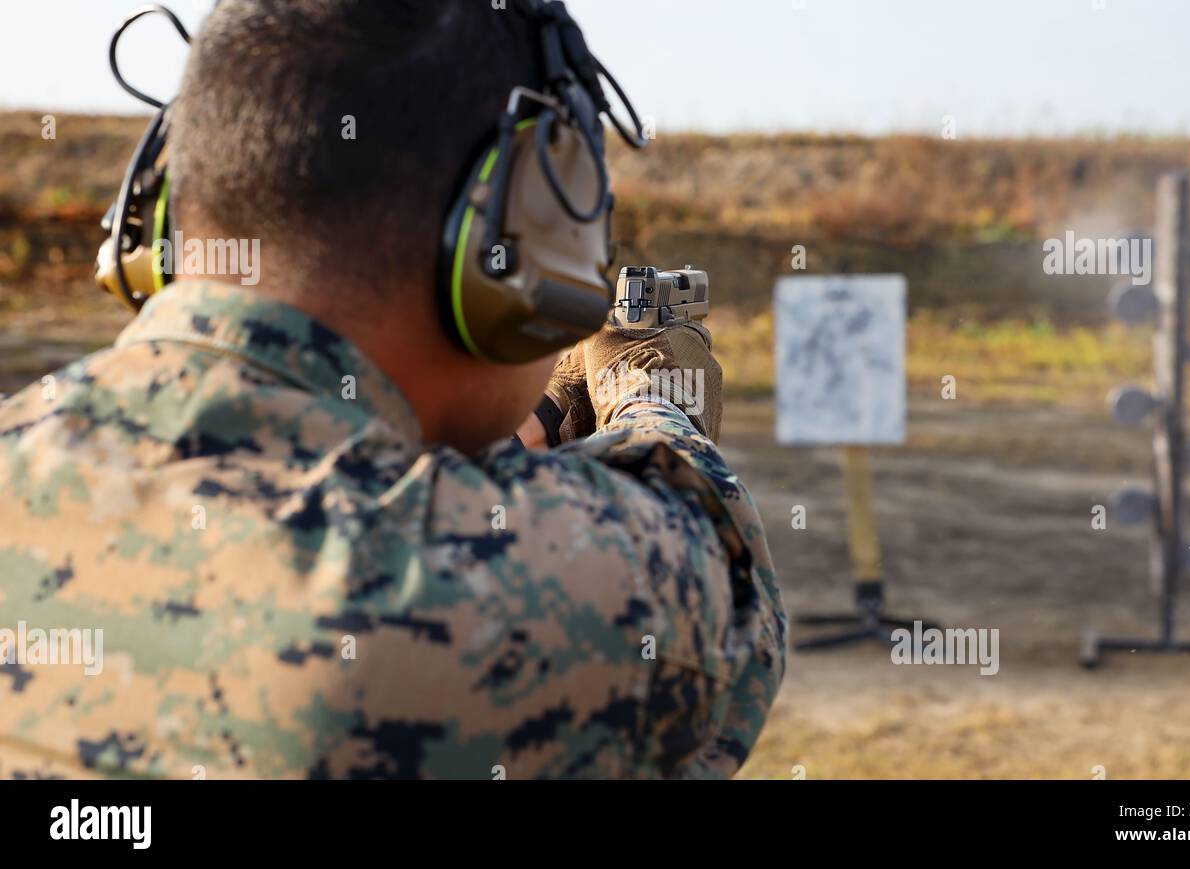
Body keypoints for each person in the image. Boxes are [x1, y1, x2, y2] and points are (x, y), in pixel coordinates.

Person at [0, 0, 784, 779]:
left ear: (157, 212)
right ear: (510, 243)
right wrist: (650, 390)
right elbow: (720, 580)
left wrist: (535, 422)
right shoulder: (495, 591)